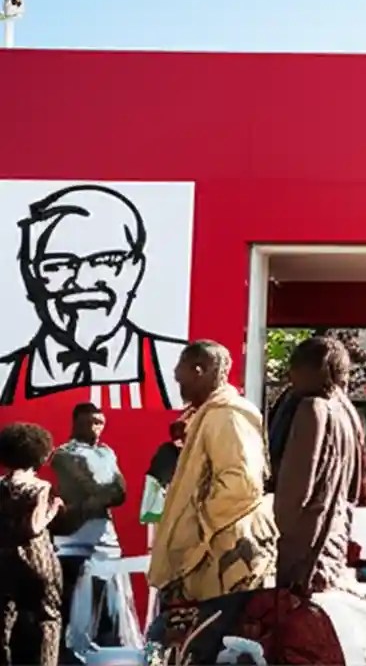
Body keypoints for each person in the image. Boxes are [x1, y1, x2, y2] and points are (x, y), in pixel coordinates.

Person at [147, 341, 277, 664]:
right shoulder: (210, 416)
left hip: (222, 564)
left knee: (207, 652)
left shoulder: (227, 416)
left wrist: (197, 528)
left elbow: (241, 484)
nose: (177, 381)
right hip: (212, 565)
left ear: (199, 370)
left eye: (181, 375)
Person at [0, 184, 185, 408]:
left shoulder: (176, 369)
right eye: (59, 265)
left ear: (136, 269)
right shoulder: (4, 377)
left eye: (107, 261)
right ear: (30, 275)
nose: (83, 281)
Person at [274, 336, 366, 594]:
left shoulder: (313, 409)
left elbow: (294, 494)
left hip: (307, 552)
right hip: (333, 547)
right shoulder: (348, 412)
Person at [50, 402, 126, 658]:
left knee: (106, 603)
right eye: (89, 422)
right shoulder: (63, 454)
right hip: (75, 537)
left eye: (99, 422)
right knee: (72, 603)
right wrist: (102, 496)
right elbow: (90, 485)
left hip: (105, 536)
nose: (95, 428)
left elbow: (121, 491)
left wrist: (101, 496)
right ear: (76, 422)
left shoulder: (107, 452)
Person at [0, 423, 64, 666]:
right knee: (46, 619)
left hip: (3, 558)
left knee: (4, 618)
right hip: (35, 559)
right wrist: (53, 510)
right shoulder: (39, 487)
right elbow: (34, 528)